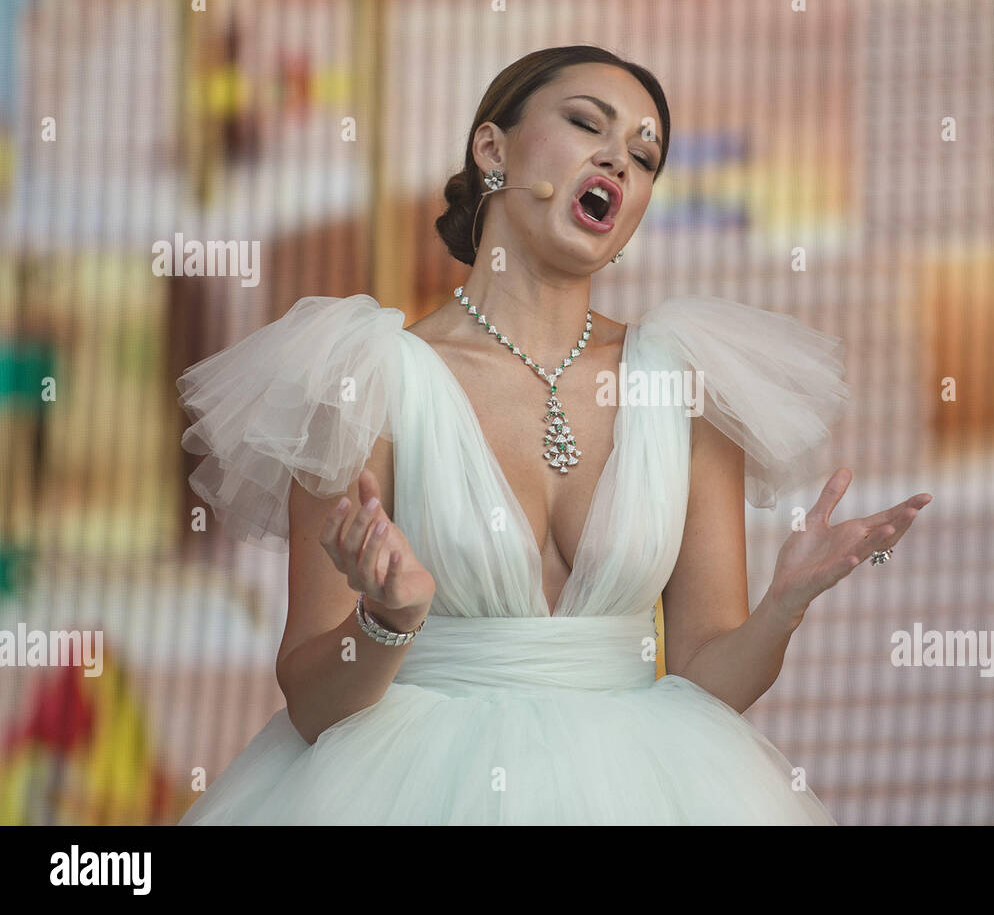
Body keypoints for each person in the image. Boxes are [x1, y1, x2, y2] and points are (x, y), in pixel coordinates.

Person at [175, 45, 931, 824]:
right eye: (584, 124)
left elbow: (709, 684)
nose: (619, 158)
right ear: (492, 150)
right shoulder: (365, 379)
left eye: (644, 155)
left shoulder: (684, 383)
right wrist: (385, 621)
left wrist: (785, 606)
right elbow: (311, 703)